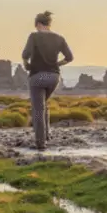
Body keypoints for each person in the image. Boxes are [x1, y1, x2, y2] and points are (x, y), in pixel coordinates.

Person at [21, 10, 73, 151]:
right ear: (48, 24)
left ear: (38, 24)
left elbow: (25, 54)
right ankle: (47, 135)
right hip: (54, 77)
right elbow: (69, 57)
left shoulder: (34, 36)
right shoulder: (59, 38)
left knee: (38, 109)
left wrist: (26, 64)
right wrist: (58, 64)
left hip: (37, 77)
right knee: (43, 104)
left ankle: (40, 143)